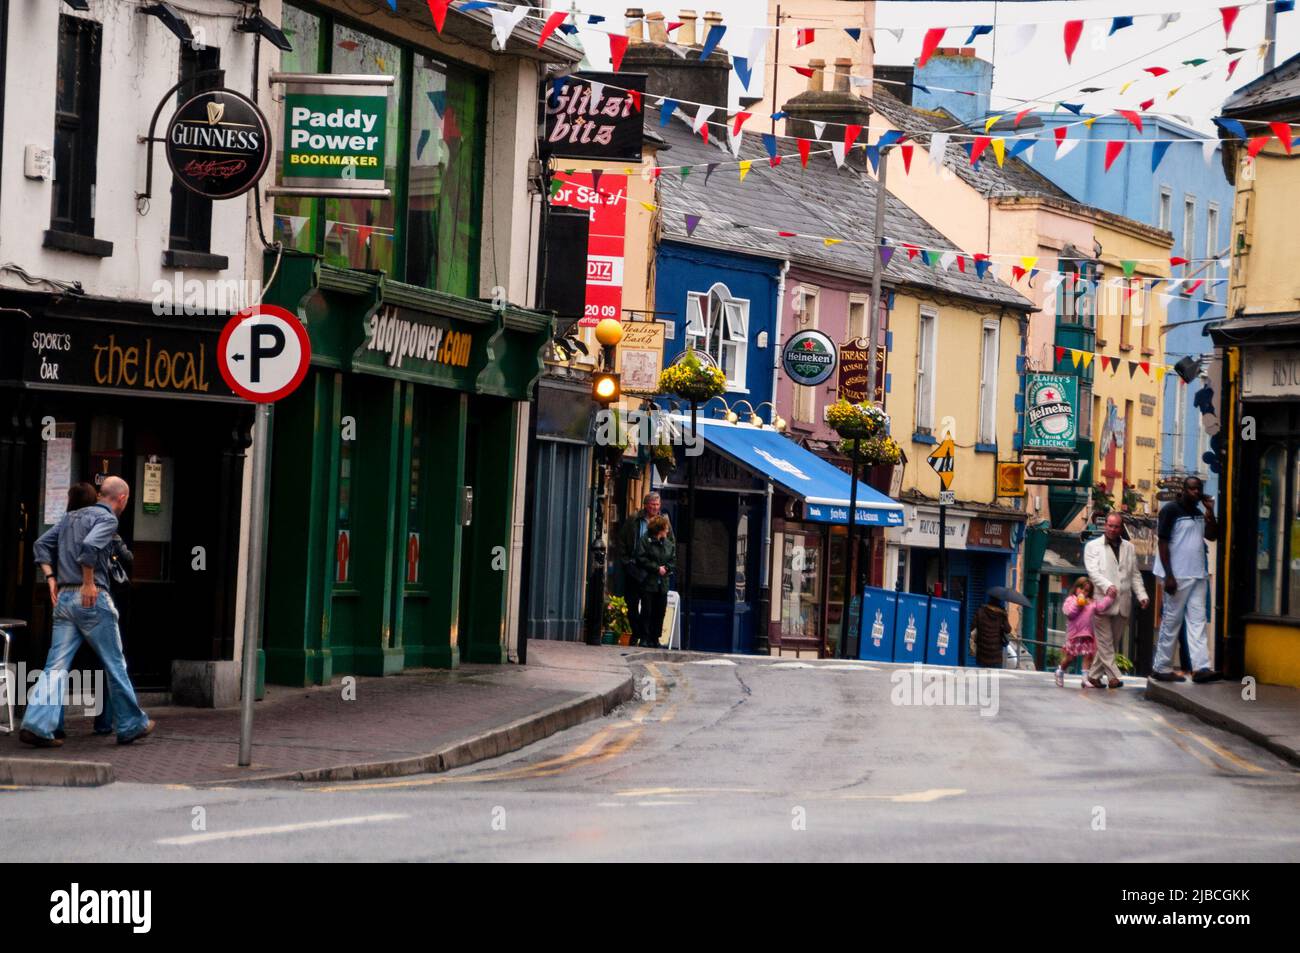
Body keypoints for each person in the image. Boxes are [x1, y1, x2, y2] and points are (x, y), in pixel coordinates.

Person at [20, 476, 155, 747]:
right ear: (123, 499)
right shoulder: (107, 520)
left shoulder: (71, 517)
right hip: (92, 599)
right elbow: (90, 548)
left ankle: (36, 724)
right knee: (115, 663)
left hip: (65, 599)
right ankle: (130, 724)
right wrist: (90, 582)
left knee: (55, 667)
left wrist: (50, 578)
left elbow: (40, 544)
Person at [1152, 476, 1220, 683]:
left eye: (1198, 489)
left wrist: (1210, 511)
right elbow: (1162, 543)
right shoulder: (1170, 510)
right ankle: (1161, 667)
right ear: (1183, 490)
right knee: (1172, 620)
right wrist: (1169, 575)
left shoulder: (1199, 513)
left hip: (1198, 573)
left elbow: (1212, 535)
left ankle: (1201, 667)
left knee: (1198, 621)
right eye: (1191, 489)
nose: (1196, 493)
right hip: (1178, 575)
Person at [1083, 511, 1149, 689]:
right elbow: (1093, 572)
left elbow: (1134, 575)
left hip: (1123, 603)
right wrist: (1106, 586)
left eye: (1116, 526)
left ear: (1121, 528)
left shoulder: (1129, 547)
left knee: (1110, 644)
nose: (1112, 529)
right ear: (1105, 526)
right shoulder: (1092, 546)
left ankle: (1093, 677)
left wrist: (1142, 595)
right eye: (1109, 525)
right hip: (1101, 602)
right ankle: (1114, 677)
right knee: (1105, 642)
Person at [617, 492, 665, 649]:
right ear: (645, 505)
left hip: (651, 569)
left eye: (657, 505)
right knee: (631, 604)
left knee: (648, 606)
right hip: (634, 567)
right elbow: (622, 541)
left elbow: (670, 543)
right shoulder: (633, 520)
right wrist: (626, 562)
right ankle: (637, 632)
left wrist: (663, 565)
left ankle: (646, 636)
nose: (655, 508)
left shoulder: (663, 522)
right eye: (652, 504)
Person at [1057, 577, 1115, 689]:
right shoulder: (1071, 600)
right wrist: (1078, 605)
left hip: (1087, 634)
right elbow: (1069, 613)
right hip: (1074, 634)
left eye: (1087, 590)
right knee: (1070, 658)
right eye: (1081, 589)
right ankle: (1060, 671)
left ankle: (1084, 679)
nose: (1083, 592)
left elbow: (1101, 607)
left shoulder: (1091, 602)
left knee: (1088, 656)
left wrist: (1110, 597)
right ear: (1076, 588)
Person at [633, 515, 676, 648]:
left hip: (662, 584)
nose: (667, 531)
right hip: (648, 582)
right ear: (659, 529)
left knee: (660, 612)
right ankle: (644, 638)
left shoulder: (669, 544)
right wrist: (656, 568)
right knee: (647, 611)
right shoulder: (645, 541)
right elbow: (640, 558)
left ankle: (655, 638)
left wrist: (666, 568)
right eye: (666, 528)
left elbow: (673, 560)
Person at [970, 596, 1010, 669]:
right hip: (996, 654)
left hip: (982, 652)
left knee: (982, 677)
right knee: (994, 678)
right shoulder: (1002, 614)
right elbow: (1008, 630)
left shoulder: (980, 611)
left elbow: (972, 626)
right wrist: (1005, 617)